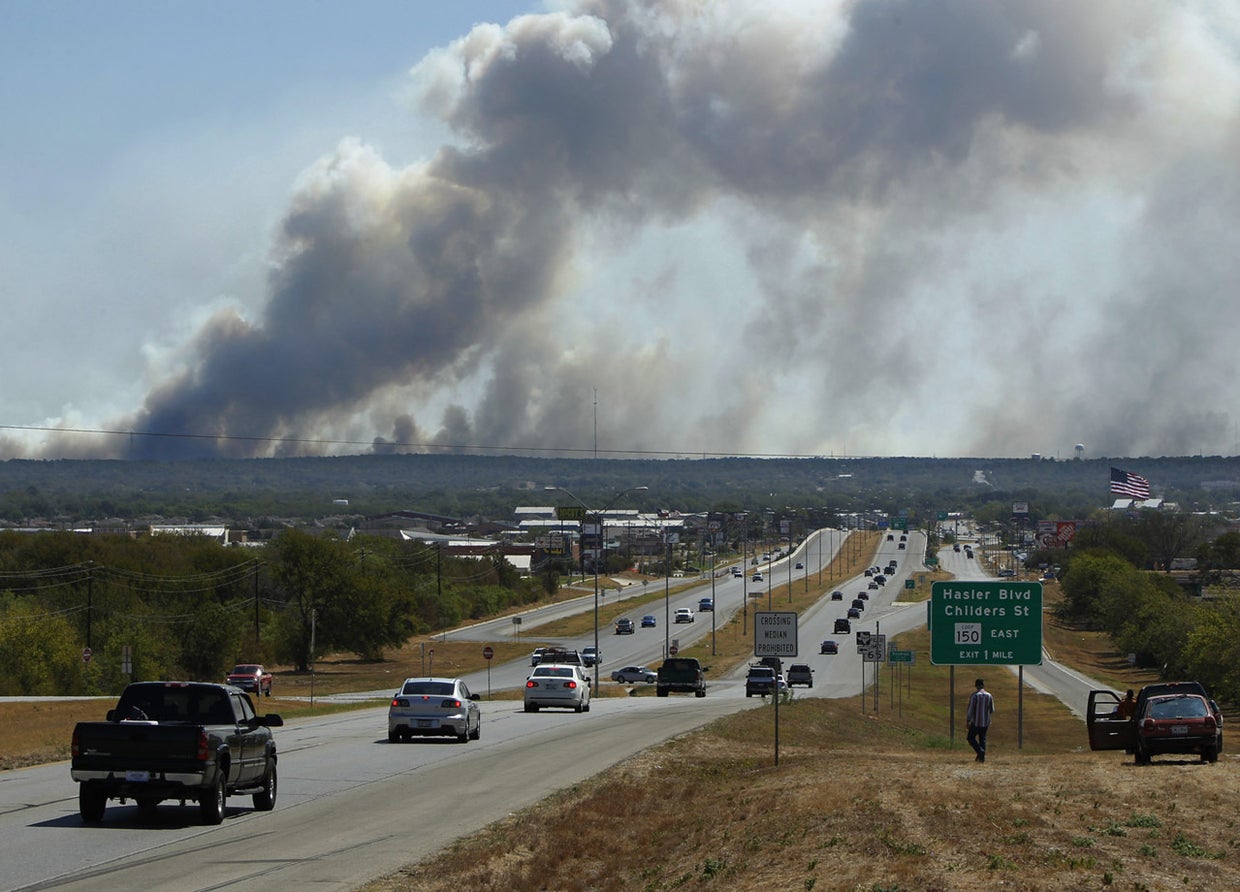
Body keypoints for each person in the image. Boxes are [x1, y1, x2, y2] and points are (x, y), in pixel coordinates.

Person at [966, 678, 995, 763]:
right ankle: (981, 758)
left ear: (976, 686)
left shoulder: (974, 696)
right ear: (983, 685)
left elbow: (971, 709)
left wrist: (968, 720)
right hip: (985, 722)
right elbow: (992, 709)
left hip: (976, 722)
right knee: (982, 739)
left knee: (970, 738)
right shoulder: (989, 695)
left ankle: (980, 752)